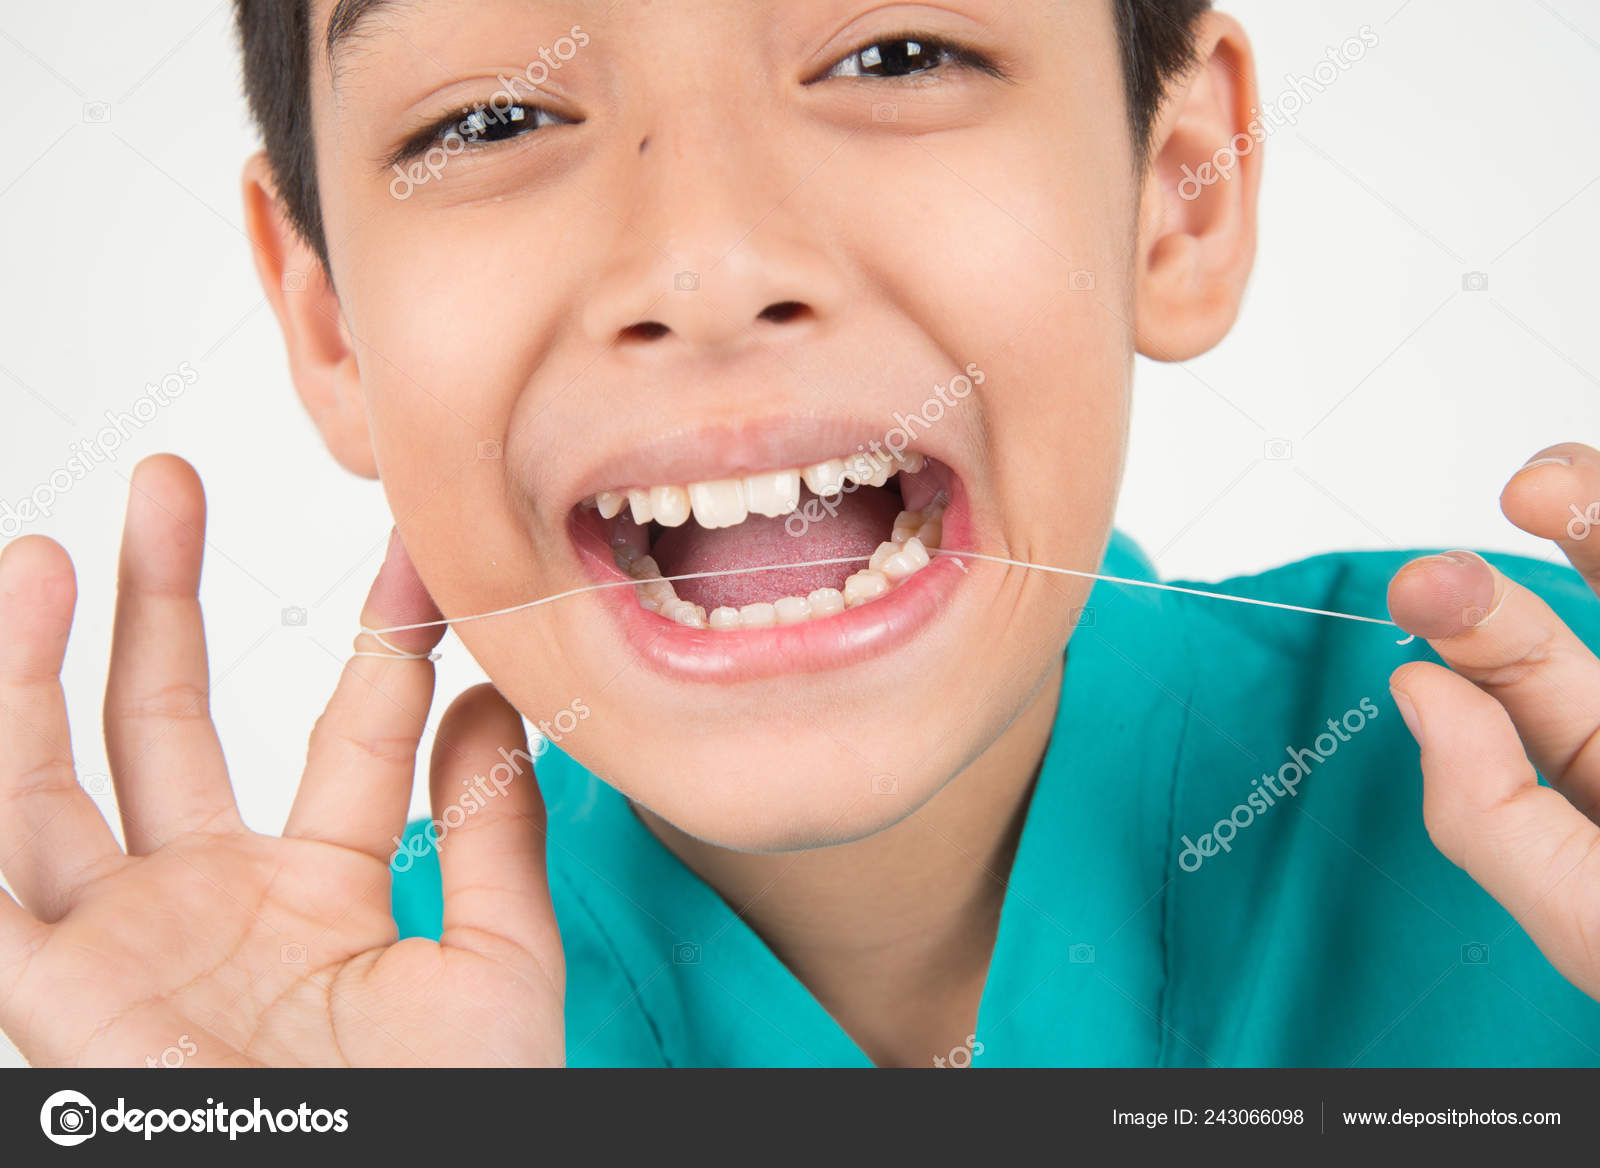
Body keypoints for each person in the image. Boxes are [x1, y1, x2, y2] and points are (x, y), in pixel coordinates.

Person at [2, 0, 1597, 1067]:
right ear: (333, 321)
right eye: (488, 120)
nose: (703, 261)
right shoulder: (296, 1045)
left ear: (1179, 191)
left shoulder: (1556, 762)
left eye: (897, 54)